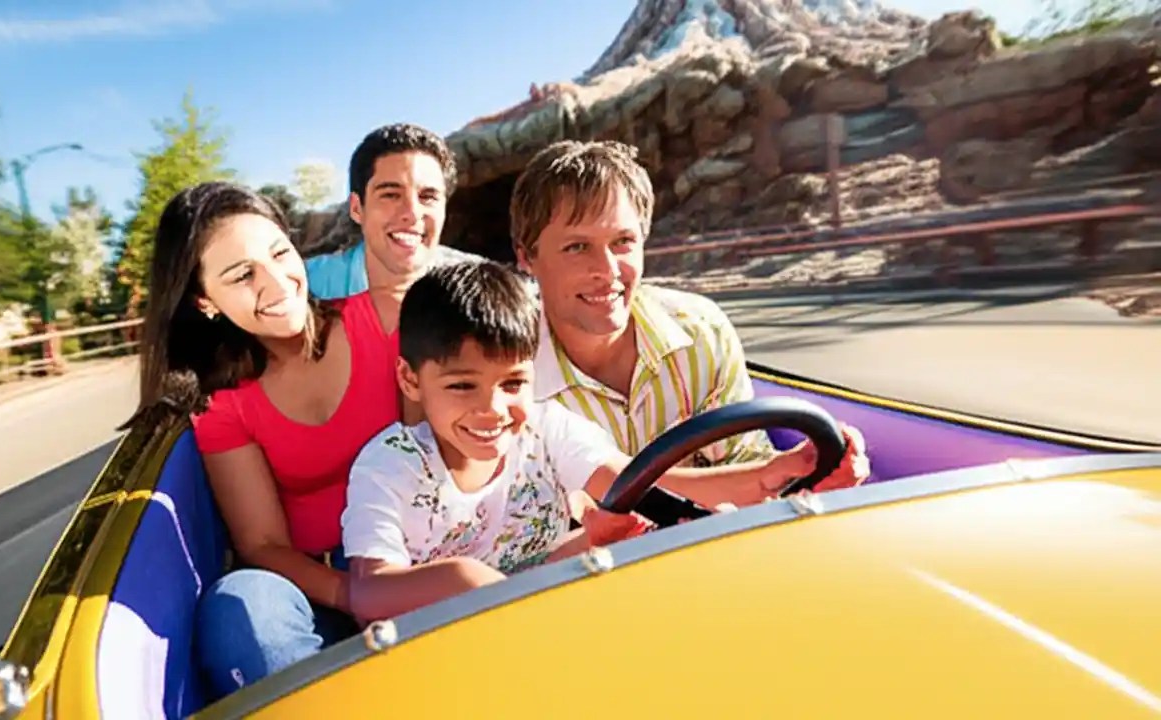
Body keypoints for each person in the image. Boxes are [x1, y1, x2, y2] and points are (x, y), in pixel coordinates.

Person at [340, 260, 825, 622]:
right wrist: (467, 581)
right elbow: (368, 593)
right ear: (410, 380)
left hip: (559, 613)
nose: (493, 409)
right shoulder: (390, 467)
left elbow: (652, 484)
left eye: (512, 384)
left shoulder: (545, 429)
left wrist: (769, 475)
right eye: (463, 386)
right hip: (450, 641)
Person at [134, 180, 400, 698]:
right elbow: (262, 544)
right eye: (242, 275)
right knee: (240, 606)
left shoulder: (387, 318)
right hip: (322, 588)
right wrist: (354, 594)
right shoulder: (222, 401)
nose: (277, 283)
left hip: (423, 548)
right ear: (204, 300)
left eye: (280, 253)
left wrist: (404, 578)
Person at [509, 139, 866, 493]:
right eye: (577, 247)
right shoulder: (501, 379)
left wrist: (804, 482)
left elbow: (743, 461)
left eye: (623, 242)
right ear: (527, 258)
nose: (607, 270)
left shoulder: (701, 331)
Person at [304, 122, 481, 306]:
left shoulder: (479, 289)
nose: (412, 213)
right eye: (390, 195)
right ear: (357, 208)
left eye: (428, 197)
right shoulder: (305, 288)